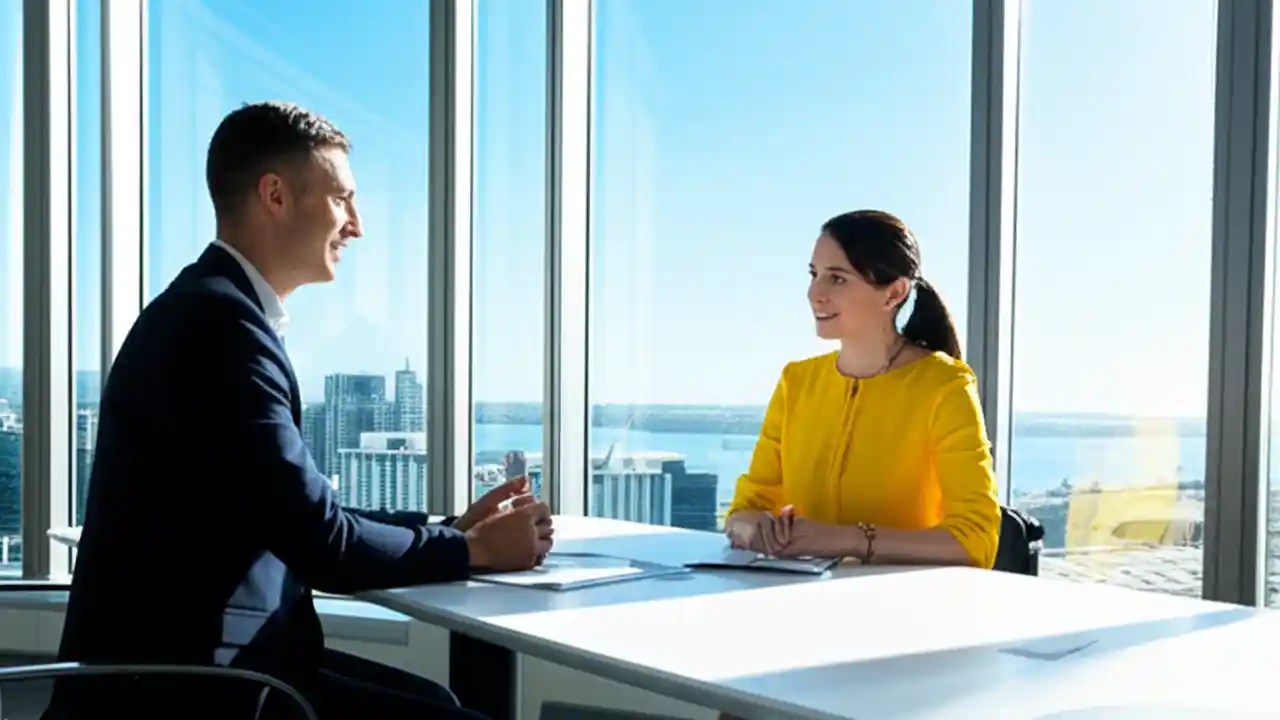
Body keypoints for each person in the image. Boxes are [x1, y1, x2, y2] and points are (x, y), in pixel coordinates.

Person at [45, 101, 552, 720]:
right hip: (191, 689)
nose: (357, 225)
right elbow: (322, 543)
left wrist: (452, 529)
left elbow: (297, 509)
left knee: (437, 701)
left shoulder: (212, 314)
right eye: (342, 199)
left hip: (207, 667)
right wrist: (473, 552)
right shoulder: (219, 331)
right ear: (276, 195)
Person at [724, 210, 1000, 568]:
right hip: (798, 601)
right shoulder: (796, 382)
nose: (814, 293)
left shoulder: (945, 387)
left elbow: (976, 540)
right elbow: (743, 511)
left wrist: (845, 540)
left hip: (905, 607)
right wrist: (753, 527)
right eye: (814, 274)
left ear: (894, 293)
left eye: (837, 279)